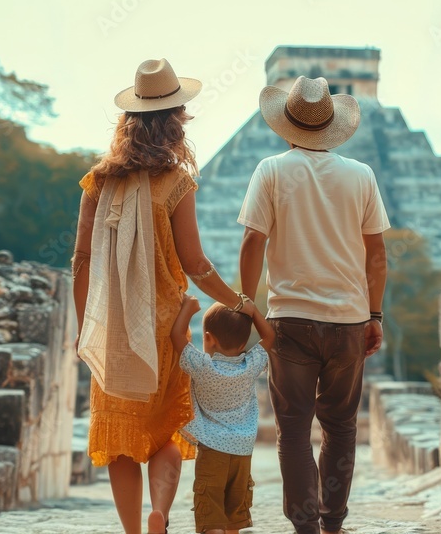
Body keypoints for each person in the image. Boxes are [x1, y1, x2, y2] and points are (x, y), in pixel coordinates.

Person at [71, 58, 257, 534]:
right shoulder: (177, 183)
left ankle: (134, 531)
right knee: (164, 434)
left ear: (128, 120)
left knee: (119, 442)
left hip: (112, 330)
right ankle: (159, 511)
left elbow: (82, 262)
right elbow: (196, 265)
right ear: (175, 121)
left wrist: (85, 329)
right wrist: (238, 301)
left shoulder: (97, 182)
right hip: (165, 331)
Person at [237, 76, 390, 534]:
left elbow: (252, 241)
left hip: (290, 321)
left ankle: (304, 526)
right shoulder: (361, 174)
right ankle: (333, 523)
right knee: (341, 427)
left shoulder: (271, 170)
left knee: (294, 430)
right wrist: (375, 314)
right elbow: (377, 254)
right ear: (332, 127)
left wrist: (248, 308)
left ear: (287, 127)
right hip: (349, 320)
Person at [169, 293, 275, 534]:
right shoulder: (251, 365)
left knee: (211, 508)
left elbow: (176, 337)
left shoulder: (203, 367)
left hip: (212, 448)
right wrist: (253, 312)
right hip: (243, 450)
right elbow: (270, 336)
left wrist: (188, 308)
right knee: (234, 512)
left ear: (208, 338)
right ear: (243, 344)